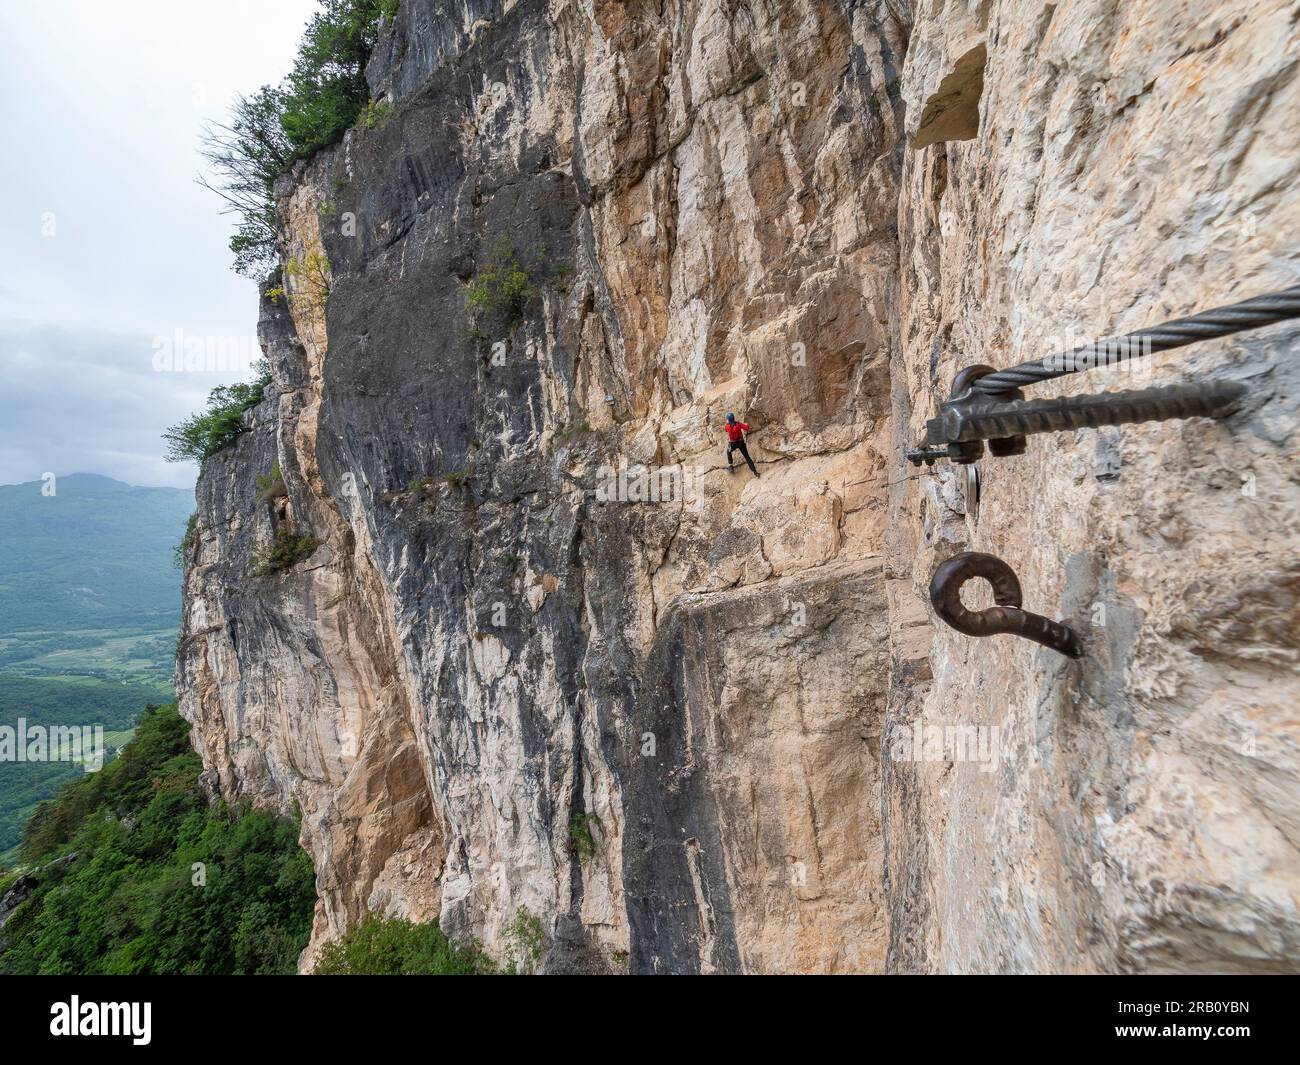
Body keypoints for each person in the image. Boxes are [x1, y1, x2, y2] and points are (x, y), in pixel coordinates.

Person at [723, 412, 758, 477]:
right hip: (741, 442)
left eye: (727, 419)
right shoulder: (738, 424)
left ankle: (730, 466)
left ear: (728, 420)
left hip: (732, 444)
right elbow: (746, 427)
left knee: (728, 452)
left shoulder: (727, 426)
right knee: (747, 457)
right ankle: (755, 472)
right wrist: (746, 424)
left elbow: (725, 429)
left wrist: (729, 423)